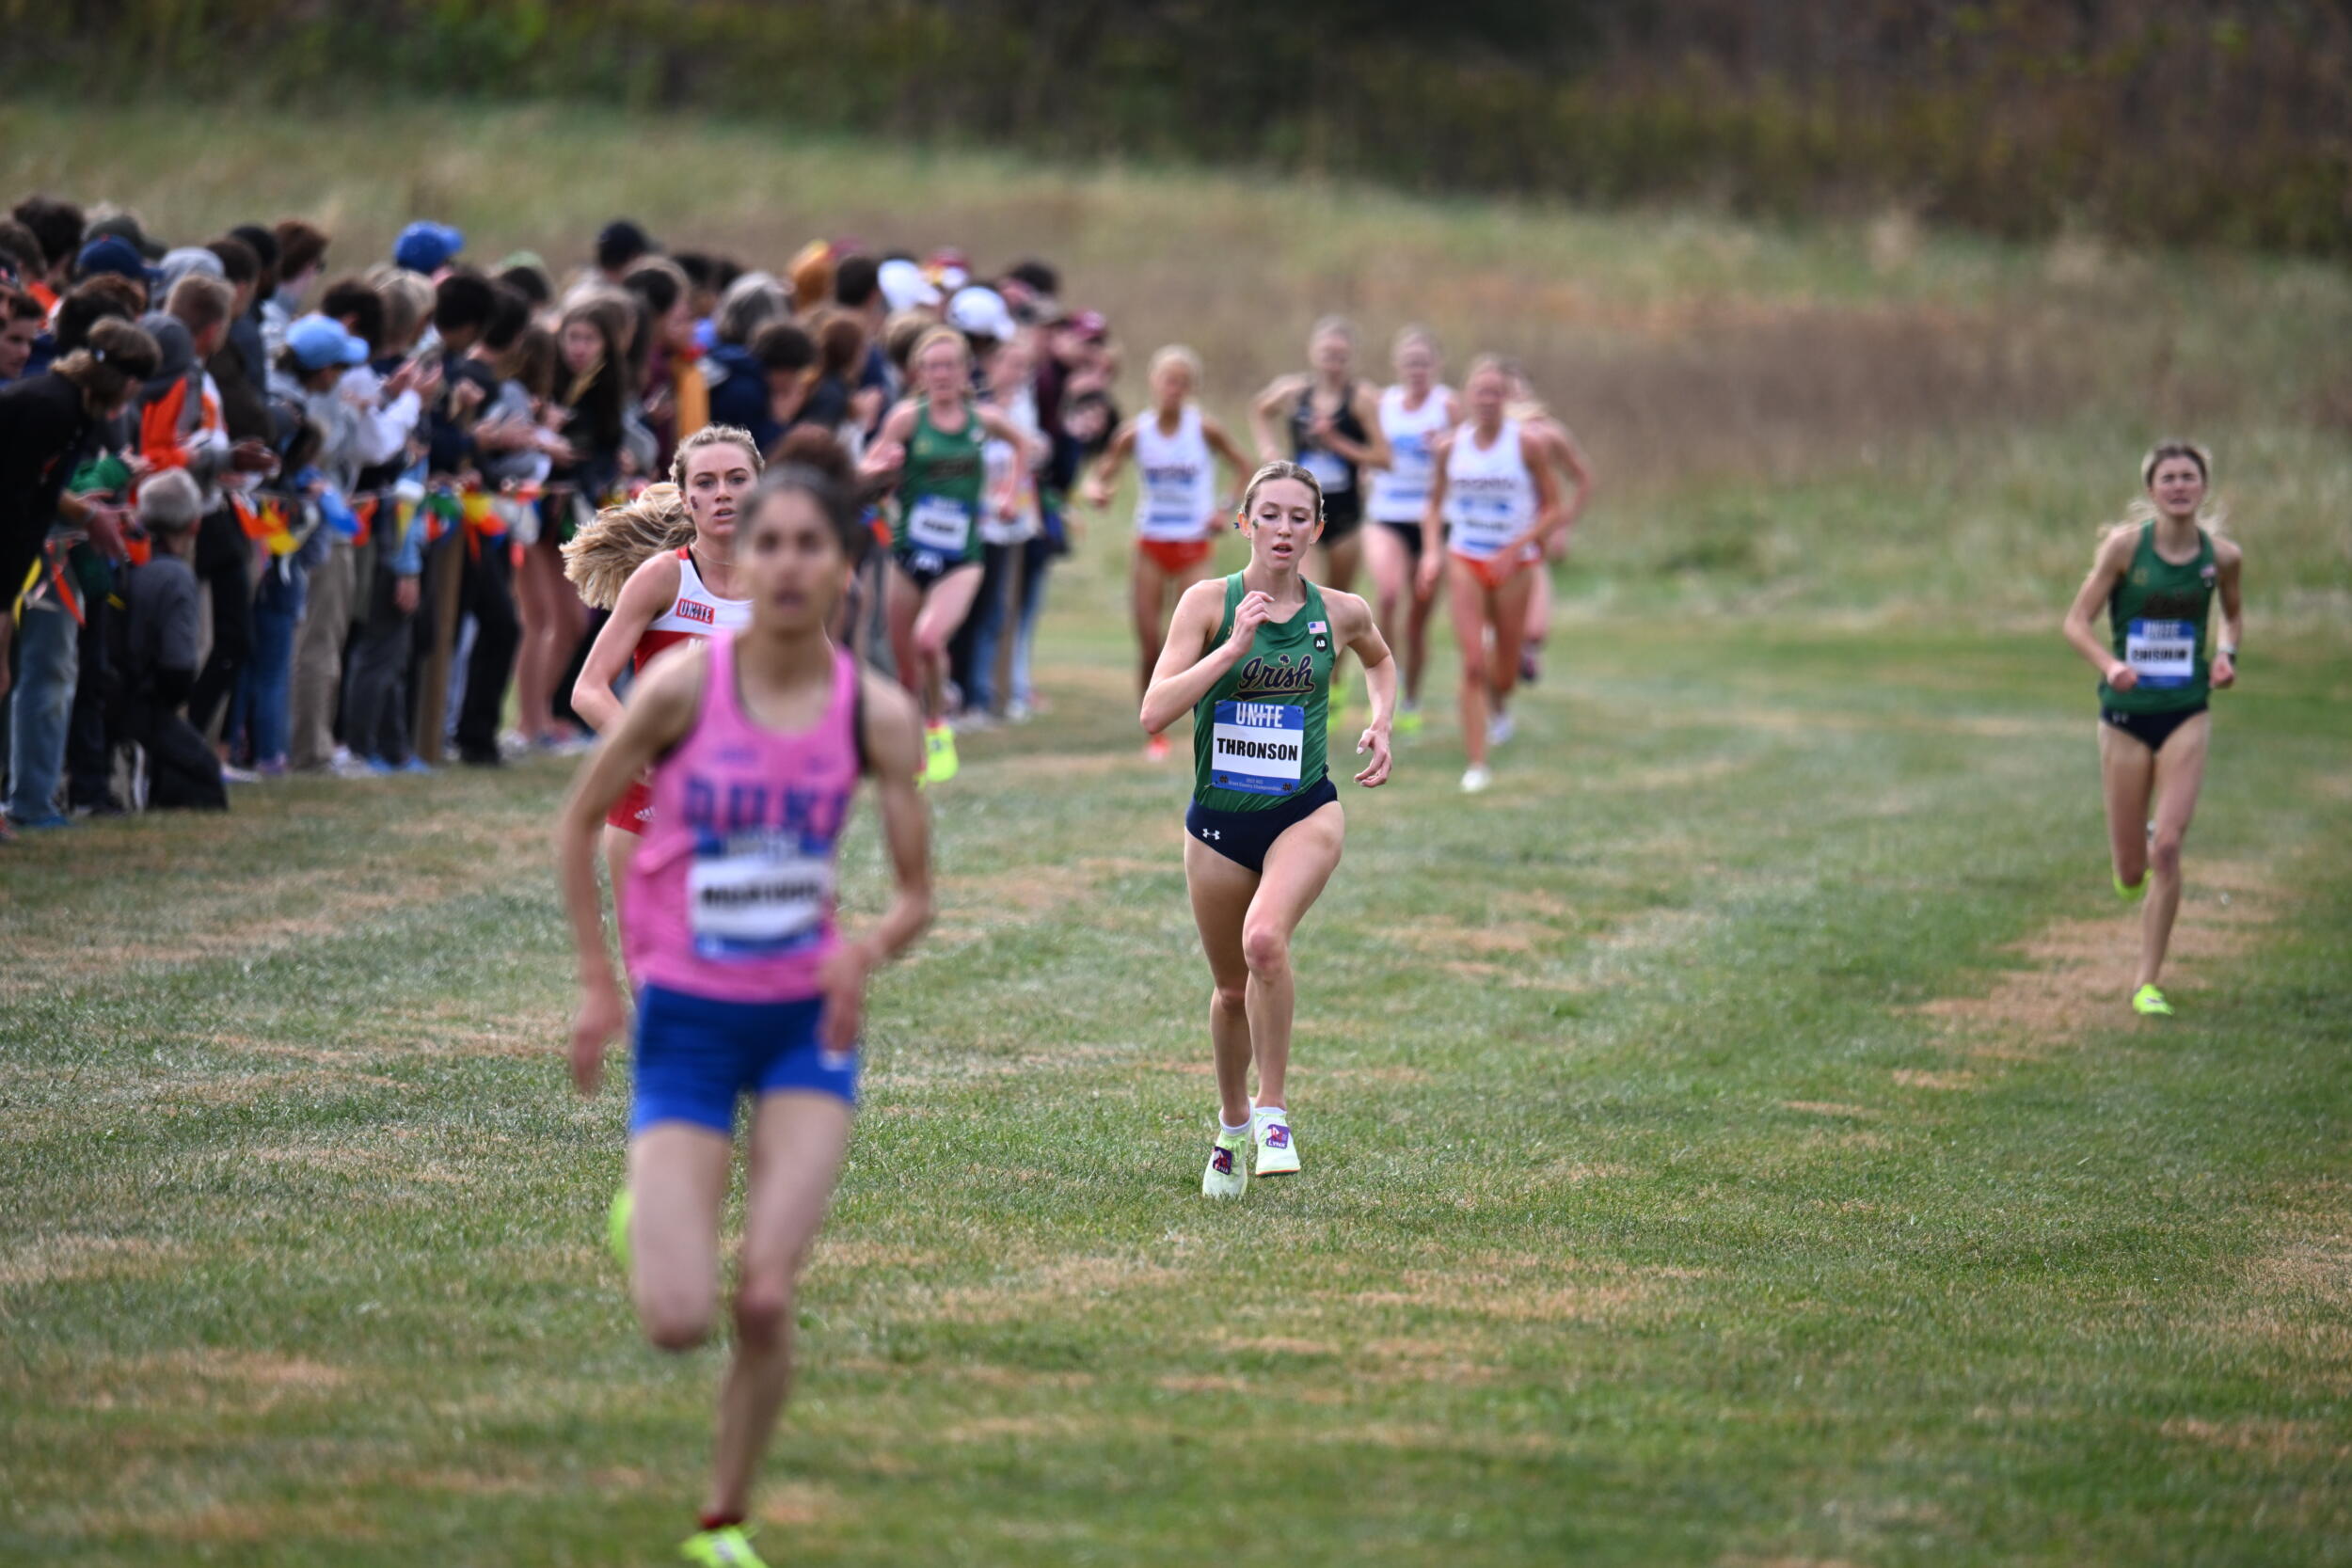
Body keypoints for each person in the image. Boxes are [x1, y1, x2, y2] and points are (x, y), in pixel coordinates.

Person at [555, 455, 930, 1568]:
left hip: (803, 1024)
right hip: (687, 1018)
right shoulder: (679, 689)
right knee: (678, 1318)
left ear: (841, 569)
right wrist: (595, 984)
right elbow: (579, 823)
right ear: (743, 554)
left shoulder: (877, 711)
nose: (787, 563)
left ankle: (723, 1517)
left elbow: (915, 892)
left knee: (764, 1296)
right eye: (769, 543)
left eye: (812, 544)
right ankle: (647, 1211)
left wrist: (863, 951)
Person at [1139, 461, 1395, 1197]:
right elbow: (1154, 711)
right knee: (1228, 990)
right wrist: (1229, 648)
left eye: (1299, 517)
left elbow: (1379, 659)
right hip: (1218, 824)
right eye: (1270, 515)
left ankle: (1275, 1113)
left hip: (1303, 811)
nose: (1285, 529)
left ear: (1318, 528)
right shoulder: (1206, 603)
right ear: (1243, 522)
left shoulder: (1338, 610)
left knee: (1264, 942)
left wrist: (1380, 719)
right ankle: (1232, 1124)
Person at [2060, 440, 2243, 1018]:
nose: (2180, 486)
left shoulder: (2224, 557)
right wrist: (2111, 666)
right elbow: (2075, 622)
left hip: (2187, 709)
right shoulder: (2124, 549)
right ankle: (2131, 857)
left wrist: (2227, 655)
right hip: (2125, 718)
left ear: (2203, 486)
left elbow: (2233, 614)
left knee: (2167, 849)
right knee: (2131, 870)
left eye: (2190, 476)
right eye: (2169, 478)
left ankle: (2147, 983)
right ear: (2152, 490)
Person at [567, 424, 763, 925]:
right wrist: (641, 749)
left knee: (739, 978)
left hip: (742, 801)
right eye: (707, 482)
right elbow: (588, 689)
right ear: (686, 497)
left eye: (737, 479)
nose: (722, 493)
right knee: (654, 983)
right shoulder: (664, 577)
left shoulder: (780, 585)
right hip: (650, 805)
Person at [860, 326, 1041, 784]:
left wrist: (1008, 490)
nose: (941, 374)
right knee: (904, 666)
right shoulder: (906, 418)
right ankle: (912, 745)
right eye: (932, 366)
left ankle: (938, 725)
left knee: (928, 641)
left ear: (965, 373)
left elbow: (1025, 445)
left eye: (950, 366)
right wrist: (882, 471)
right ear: (920, 373)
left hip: (962, 555)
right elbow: (869, 466)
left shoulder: (982, 420)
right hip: (907, 552)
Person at [0, 316, 157, 831]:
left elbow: (39, 499)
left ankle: (27, 802)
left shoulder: (72, 409)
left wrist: (89, 516)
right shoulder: (51, 409)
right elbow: (13, 504)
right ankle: (26, 802)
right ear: (126, 382)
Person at [1083, 344, 1251, 758]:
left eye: (1181, 383)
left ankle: (1208, 724)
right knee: (1149, 640)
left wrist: (1225, 511)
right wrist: (1099, 492)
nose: (1172, 389)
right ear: (1153, 384)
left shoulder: (1204, 429)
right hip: (1151, 543)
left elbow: (1243, 466)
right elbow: (1099, 476)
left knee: (1204, 639)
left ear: (1191, 388)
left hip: (1194, 543)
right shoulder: (1136, 433)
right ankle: (1154, 730)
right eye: (1166, 381)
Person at [1417, 356, 1564, 794]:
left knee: (1502, 675)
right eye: (1479, 391)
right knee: (1473, 665)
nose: (1487, 399)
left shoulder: (1527, 445)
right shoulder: (1450, 447)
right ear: (1467, 397)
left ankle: (1506, 681)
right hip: (1466, 557)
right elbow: (1433, 506)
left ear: (1507, 399)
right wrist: (1430, 554)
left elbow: (1553, 505)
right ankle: (1476, 764)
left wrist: (1517, 548)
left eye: (1496, 392)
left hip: (1516, 565)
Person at [1250, 317, 1388, 721]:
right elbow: (1260, 409)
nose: (1333, 362)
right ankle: (1297, 683)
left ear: (1350, 359)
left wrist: (1339, 443)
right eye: (1327, 354)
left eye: (1341, 356)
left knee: (1337, 606)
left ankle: (1335, 680)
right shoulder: (1295, 393)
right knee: (1305, 596)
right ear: (1314, 354)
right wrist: (1269, 450)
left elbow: (1384, 456)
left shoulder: (1361, 400)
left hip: (1344, 516)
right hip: (1302, 515)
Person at [1362, 328, 1460, 733]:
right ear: (1397, 366)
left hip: (1434, 520)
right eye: (1409, 362)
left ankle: (1413, 697)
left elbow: (1471, 453)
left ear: (1436, 365)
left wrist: (1447, 446)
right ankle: (1385, 685)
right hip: (1387, 513)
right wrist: (1365, 470)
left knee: (1418, 619)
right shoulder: (1383, 405)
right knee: (1386, 595)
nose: (1417, 370)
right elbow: (1368, 452)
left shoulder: (1448, 405)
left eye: (1424, 362)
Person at [112, 469, 227, 809]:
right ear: (194, 523)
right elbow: (177, 666)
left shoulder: (124, 560)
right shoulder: (175, 577)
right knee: (205, 780)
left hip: (107, 698)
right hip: (145, 704)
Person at [1506, 369, 1595, 687]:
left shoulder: (1547, 434)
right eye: (1506, 392)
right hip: (1486, 543)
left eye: (1519, 392)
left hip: (1534, 540)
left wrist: (1563, 526)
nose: (1512, 400)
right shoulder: (1477, 435)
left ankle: (1521, 652)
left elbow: (1581, 477)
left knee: (1534, 632)